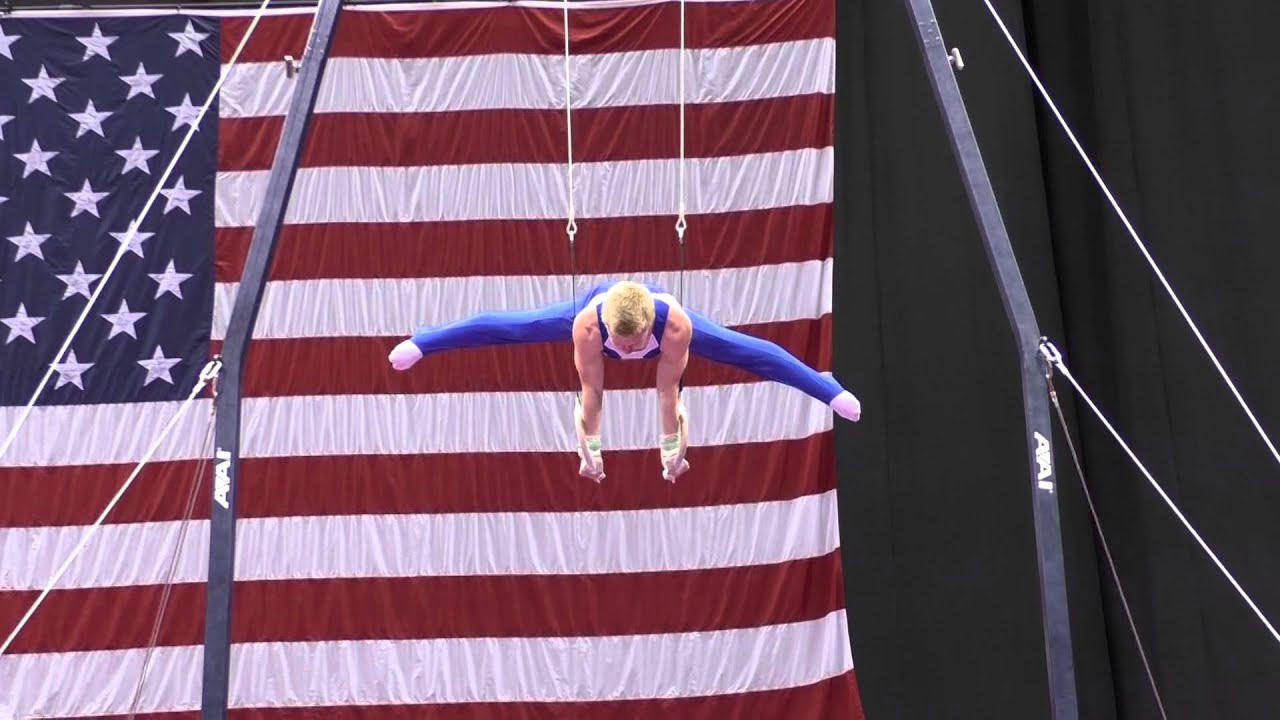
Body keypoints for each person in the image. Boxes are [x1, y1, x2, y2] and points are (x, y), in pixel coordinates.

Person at [387, 280, 861, 481]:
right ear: (607, 331)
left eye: (635, 345)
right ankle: (428, 339)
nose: (630, 354)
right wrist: (590, 451)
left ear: (648, 329)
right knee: (515, 326)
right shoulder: (587, 328)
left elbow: (667, 391)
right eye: (623, 345)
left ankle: (827, 387)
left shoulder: (674, 327)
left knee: (750, 353)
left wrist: (672, 451)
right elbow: (592, 392)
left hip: (663, 313)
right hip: (594, 304)